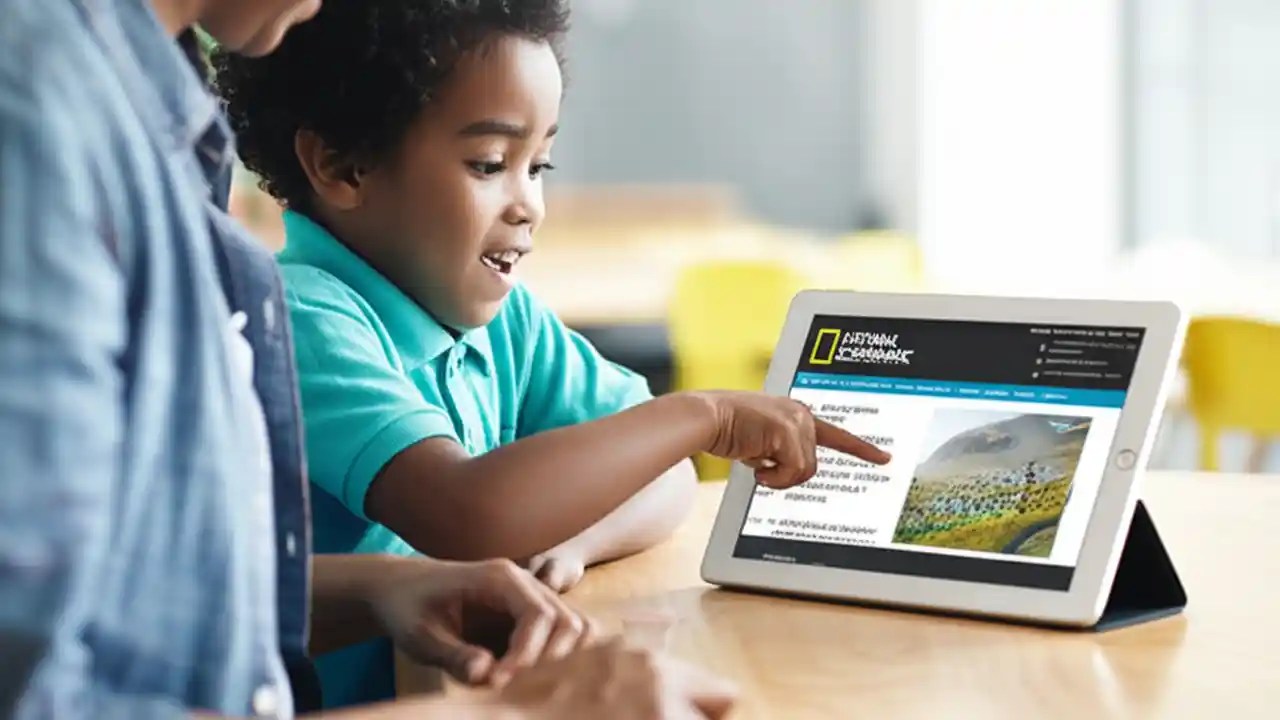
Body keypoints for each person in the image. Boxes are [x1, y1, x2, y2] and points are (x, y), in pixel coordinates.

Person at [0, 0, 883, 717]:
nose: (529, 203)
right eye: (492, 162)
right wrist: (708, 414)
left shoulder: (499, 320)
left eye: (539, 164)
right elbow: (465, 514)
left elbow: (655, 481)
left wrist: (561, 541)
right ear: (341, 167)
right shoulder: (299, 308)